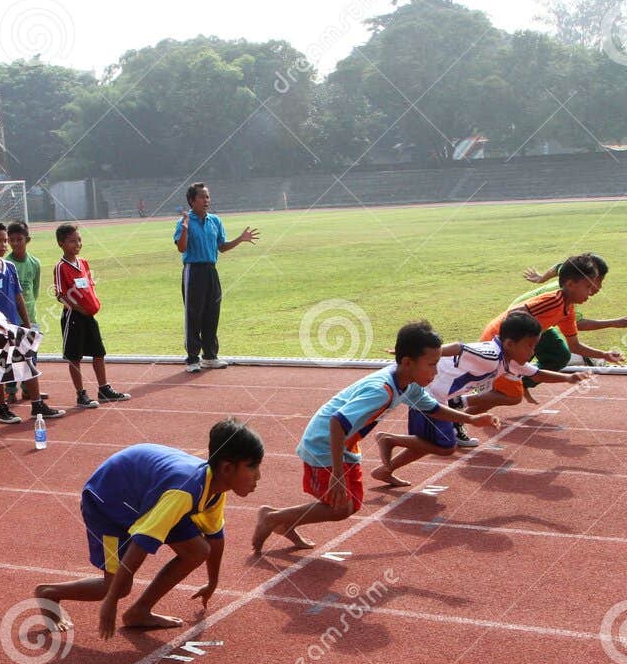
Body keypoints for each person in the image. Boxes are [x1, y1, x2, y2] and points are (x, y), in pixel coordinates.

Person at [251, 322, 495, 555]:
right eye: (431, 365)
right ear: (408, 362)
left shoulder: (408, 384)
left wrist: (471, 420)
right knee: (341, 508)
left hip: (345, 442)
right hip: (324, 443)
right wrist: (337, 473)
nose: (436, 371)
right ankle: (273, 518)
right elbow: (337, 422)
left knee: (350, 505)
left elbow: (432, 408)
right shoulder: (381, 390)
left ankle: (282, 520)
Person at [33, 418, 264, 638]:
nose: (259, 476)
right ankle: (49, 593)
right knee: (116, 586)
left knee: (198, 550)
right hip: (109, 501)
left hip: (148, 496)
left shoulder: (214, 490)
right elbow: (141, 543)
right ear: (226, 468)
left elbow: (215, 538)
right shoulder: (183, 492)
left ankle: (139, 612)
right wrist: (111, 602)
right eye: (252, 467)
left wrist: (213, 582)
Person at [371, 310, 579, 484]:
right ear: (509, 344)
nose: (533, 351)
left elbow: (537, 373)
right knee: (444, 445)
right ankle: (388, 439)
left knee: (431, 443)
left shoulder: (511, 361)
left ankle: (385, 469)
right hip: (428, 390)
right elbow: (459, 348)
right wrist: (422, 355)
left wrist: (568, 378)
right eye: (530, 346)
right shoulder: (490, 353)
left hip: (435, 394)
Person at [482, 253, 627, 406]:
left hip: (521, 336)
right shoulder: (554, 300)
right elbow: (514, 313)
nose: (592, 292)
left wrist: (604, 355)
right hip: (502, 338)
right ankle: (462, 410)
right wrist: (517, 345)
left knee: (512, 393)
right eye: (589, 286)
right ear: (572, 284)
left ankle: (464, 411)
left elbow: (574, 345)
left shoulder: (568, 307)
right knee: (505, 393)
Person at [0, 221, 64, 425]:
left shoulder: (9, 267)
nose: (4, 245)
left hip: (16, 326)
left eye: (5, 241)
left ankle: (36, 405)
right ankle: (2, 409)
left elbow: (19, 297)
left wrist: (27, 324)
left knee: (27, 365)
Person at [172, 181, 258, 373]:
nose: (206, 200)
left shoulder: (215, 221)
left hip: (211, 270)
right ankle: (192, 358)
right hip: (193, 271)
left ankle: (210, 356)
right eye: (202, 196)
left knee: (212, 313)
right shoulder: (184, 222)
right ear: (192, 201)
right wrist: (185, 228)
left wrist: (240, 239)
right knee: (193, 315)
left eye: (207, 196)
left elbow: (222, 247)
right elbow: (181, 248)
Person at [53, 223, 128, 410]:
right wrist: (79, 309)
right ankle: (81, 394)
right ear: (61, 243)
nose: (77, 244)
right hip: (74, 317)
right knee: (74, 356)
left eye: (79, 239)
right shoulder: (61, 267)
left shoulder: (84, 263)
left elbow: (88, 287)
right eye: (72, 241)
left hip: (89, 317)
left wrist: (93, 304)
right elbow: (61, 295)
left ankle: (104, 389)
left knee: (98, 352)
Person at [5, 220, 41, 405]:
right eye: (11, 240)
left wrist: (29, 313)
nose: (15, 243)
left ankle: (29, 390)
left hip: (31, 317)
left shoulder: (35, 263)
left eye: (19, 239)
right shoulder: (6, 264)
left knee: (31, 356)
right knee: (12, 356)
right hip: (12, 319)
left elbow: (34, 290)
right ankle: (10, 391)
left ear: (27, 240)